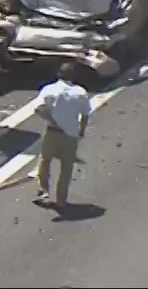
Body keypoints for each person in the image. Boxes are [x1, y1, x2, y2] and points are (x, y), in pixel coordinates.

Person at [32, 62, 93, 209]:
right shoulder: (80, 92)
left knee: (45, 161)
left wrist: (53, 119)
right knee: (66, 168)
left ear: (59, 74)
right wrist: (81, 132)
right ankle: (61, 200)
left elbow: (38, 109)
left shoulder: (50, 89)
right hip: (71, 136)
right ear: (74, 76)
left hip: (53, 132)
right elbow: (85, 115)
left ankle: (44, 191)